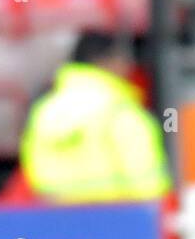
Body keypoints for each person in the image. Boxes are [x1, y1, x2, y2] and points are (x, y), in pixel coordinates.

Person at [19, 30, 171, 203]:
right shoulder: (120, 111)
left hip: (58, 221)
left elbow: (32, 173)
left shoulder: (44, 110)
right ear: (106, 60)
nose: (128, 66)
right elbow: (148, 186)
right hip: (120, 222)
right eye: (122, 59)